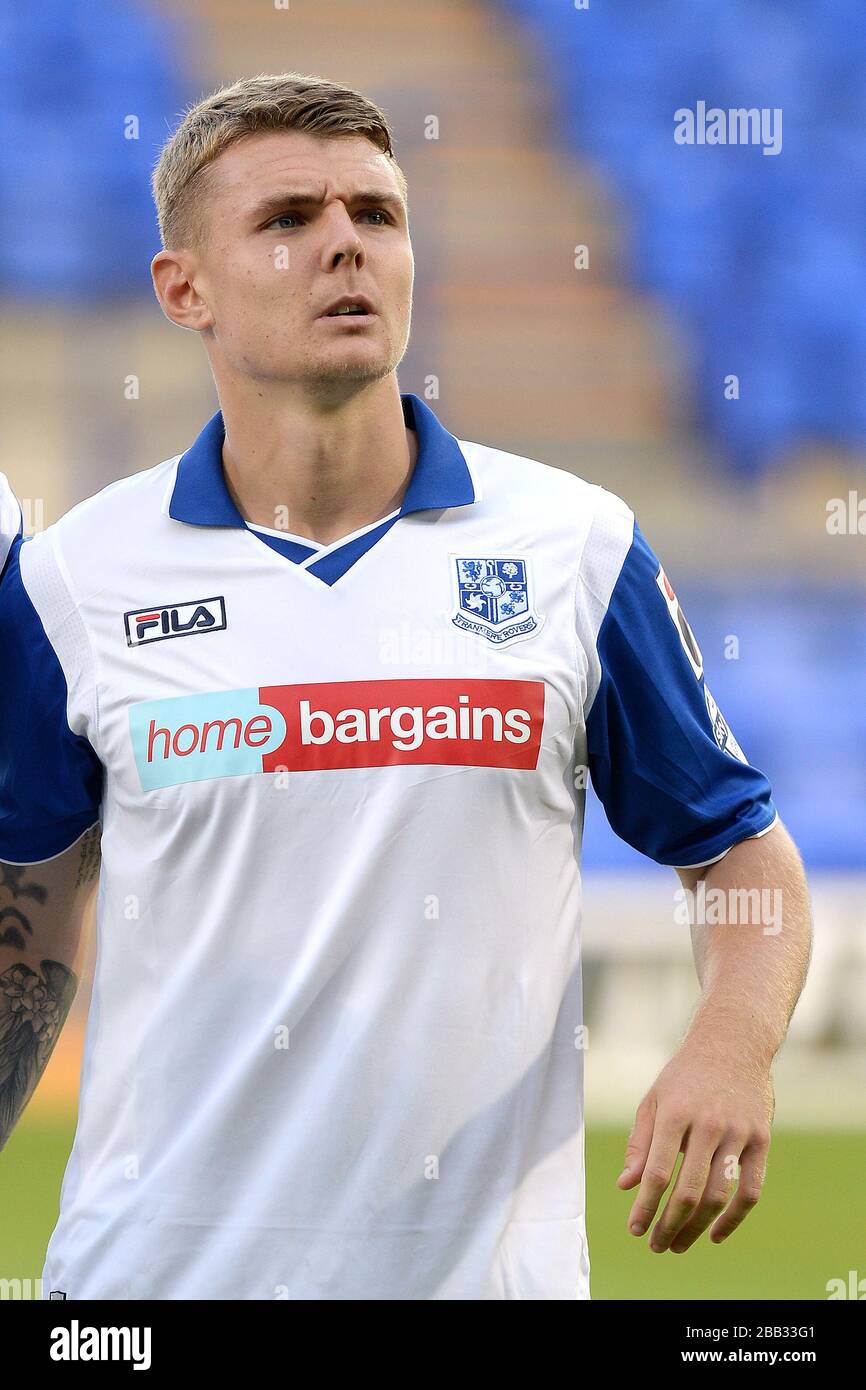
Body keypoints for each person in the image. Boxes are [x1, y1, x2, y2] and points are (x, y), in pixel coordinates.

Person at [0, 73, 811, 1300]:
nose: (344, 244)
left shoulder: (573, 545)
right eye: (286, 221)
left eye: (375, 215)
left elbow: (741, 853)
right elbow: (29, 918)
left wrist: (730, 1049)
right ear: (186, 290)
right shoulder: (74, 580)